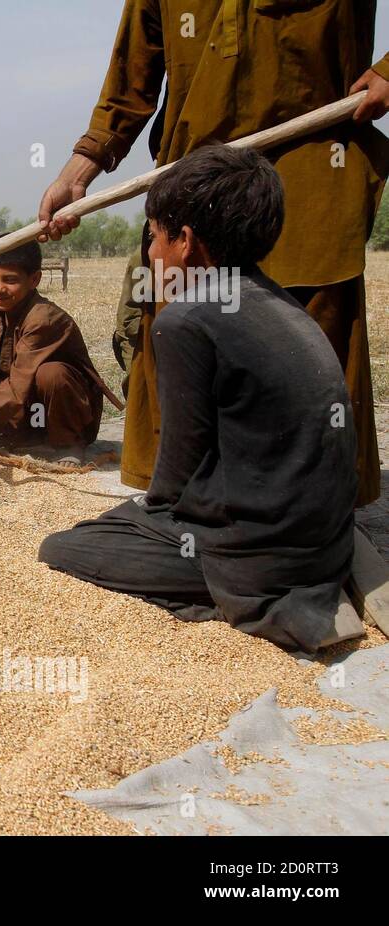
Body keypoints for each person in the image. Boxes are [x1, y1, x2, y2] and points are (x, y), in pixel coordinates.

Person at [37, 0, 389, 506]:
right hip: (195, 172)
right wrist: (78, 172)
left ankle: (310, 515)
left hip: (314, 163)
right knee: (187, 343)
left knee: (308, 346)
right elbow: (131, 78)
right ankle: (189, 509)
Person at [39, 146, 358, 652]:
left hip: (256, 559)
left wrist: (147, 517)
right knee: (123, 521)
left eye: (154, 236)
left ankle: (227, 599)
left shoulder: (186, 321)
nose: (150, 252)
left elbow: (174, 479)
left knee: (64, 546)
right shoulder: (284, 303)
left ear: (185, 242)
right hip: (328, 548)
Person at [0, 239, 103, 464]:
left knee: (51, 374)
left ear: (34, 279)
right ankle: (16, 434)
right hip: (23, 409)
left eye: (10, 280)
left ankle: (68, 443)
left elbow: (17, 386)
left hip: (57, 410)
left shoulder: (43, 318)